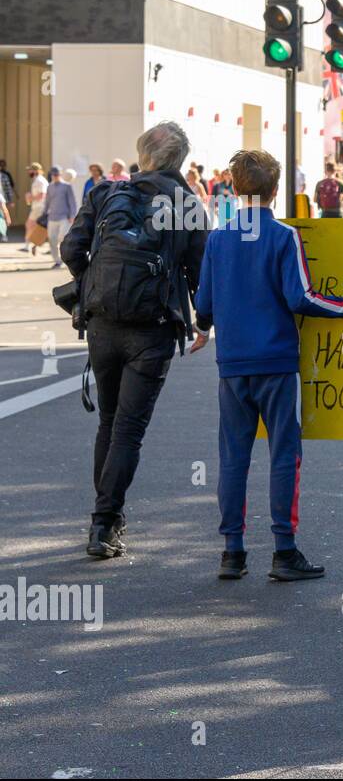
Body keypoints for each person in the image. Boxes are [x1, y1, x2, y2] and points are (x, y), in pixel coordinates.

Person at [193, 149, 343, 582]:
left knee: (233, 456)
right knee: (284, 454)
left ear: (233, 188)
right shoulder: (284, 236)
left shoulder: (219, 237)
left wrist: (205, 324)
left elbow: (204, 306)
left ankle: (232, 551)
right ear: (276, 189)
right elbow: (300, 298)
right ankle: (283, 550)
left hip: (231, 364)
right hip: (276, 361)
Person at [61, 122, 209, 559]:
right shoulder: (188, 203)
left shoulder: (105, 193)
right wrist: (205, 322)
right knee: (129, 429)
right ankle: (105, 522)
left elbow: (72, 250)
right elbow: (202, 274)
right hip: (153, 326)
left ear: (141, 155)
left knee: (109, 422)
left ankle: (105, 520)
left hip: (103, 323)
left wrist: (95, 284)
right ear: (180, 161)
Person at [43, 167, 77, 269]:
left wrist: (72, 215)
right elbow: (47, 202)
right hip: (52, 217)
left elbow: (72, 202)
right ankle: (57, 261)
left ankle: (65, 258)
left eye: (57, 175)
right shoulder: (49, 187)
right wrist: (44, 213)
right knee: (52, 240)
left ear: (60, 174)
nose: (55, 176)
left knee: (62, 238)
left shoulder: (67, 186)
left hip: (64, 217)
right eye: (54, 175)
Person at [24, 162, 48, 255]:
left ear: (36, 170)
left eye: (31, 170)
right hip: (37, 207)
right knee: (37, 227)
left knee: (29, 225)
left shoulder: (40, 181)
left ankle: (27, 246)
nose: (29, 171)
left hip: (39, 207)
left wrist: (30, 197)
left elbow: (42, 195)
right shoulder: (37, 180)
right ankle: (34, 246)